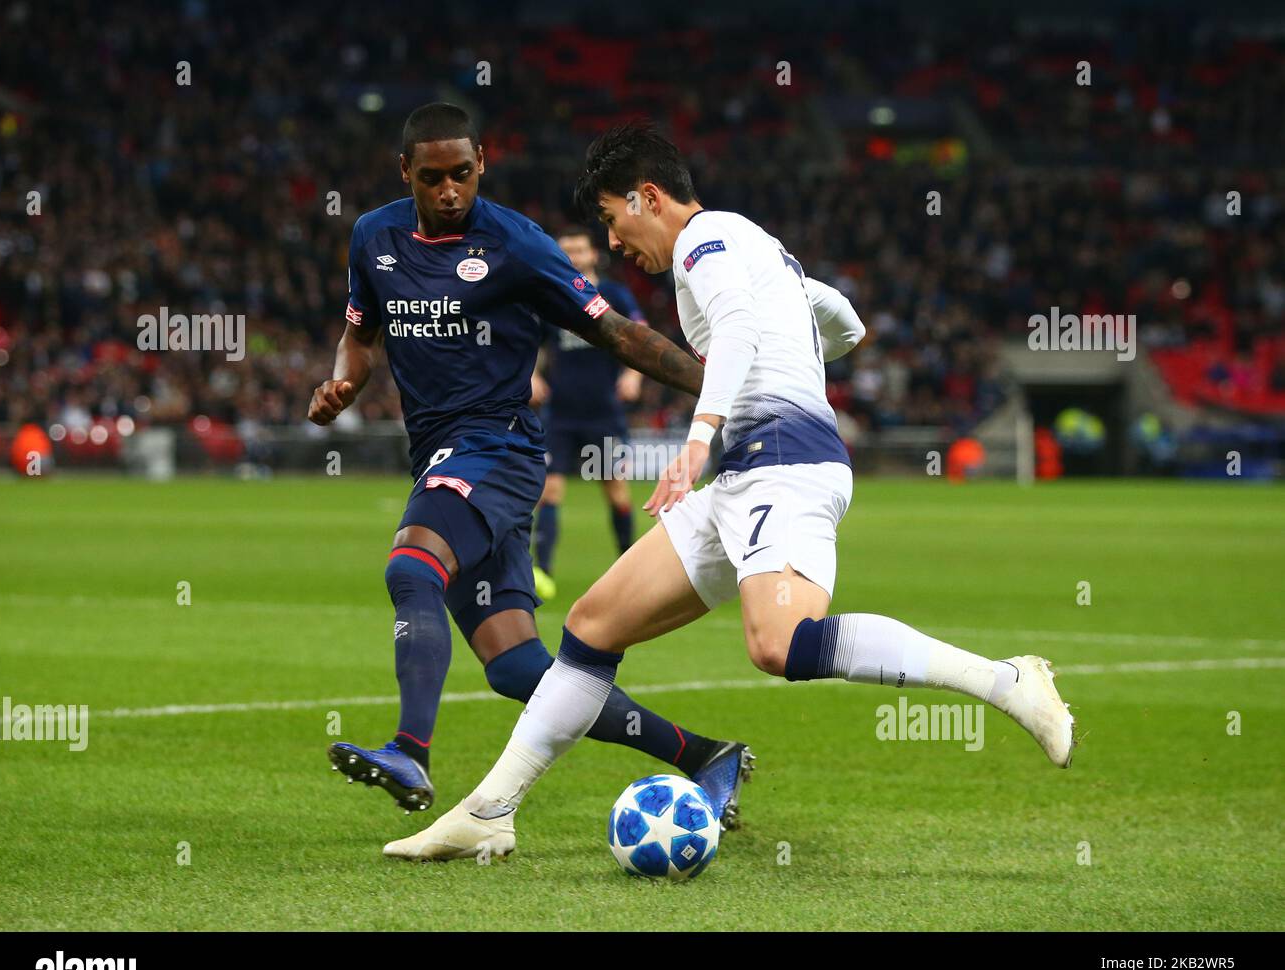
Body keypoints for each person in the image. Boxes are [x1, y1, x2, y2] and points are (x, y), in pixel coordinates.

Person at [382, 122, 1076, 862]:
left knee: (778, 644)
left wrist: (696, 438)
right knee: (591, 624)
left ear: (649, 197)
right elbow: (843, 316)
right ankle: (491, 810)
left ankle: (1007, 681)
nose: (615, 243)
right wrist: (801, 353)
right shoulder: (756, 246)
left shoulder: (701, 240)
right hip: (748, 470)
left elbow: (742, 324)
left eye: (615, 219)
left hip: (781, 461)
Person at [308, 106, 753, 826]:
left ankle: (410, 749)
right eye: (432, 178)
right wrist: (343, 383)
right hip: (441, 454)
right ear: (405, 174)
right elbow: (359, 336)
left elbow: (617, 333)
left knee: (411, 566)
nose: (449, 190)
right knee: (519, 668)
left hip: (500, 446)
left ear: (482, 162)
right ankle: (705, 754)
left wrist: (723, 379)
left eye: (461, 173)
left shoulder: (517, 243)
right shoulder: (374, 236)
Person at [531, 227, 646, 600]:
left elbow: (640, 336)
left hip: (603, 413)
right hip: (560, 414)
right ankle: (541, 572)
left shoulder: (613, 295)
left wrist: (632, 375)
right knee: (549, 490)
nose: (575, 256)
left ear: (593, 254)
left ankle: (631, 569)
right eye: (567, 251)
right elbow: (530, 343)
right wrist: (532, 375)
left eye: (580, 248)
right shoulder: (551, 297)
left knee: (615, 491)